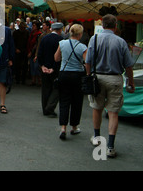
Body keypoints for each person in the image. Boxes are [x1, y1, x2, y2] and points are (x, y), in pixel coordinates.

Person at [85, 14, 135, 158]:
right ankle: (111, 147)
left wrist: (89, 76)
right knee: (113, 112)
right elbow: (129, 65)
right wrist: (131, 81)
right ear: (115, 26)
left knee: (97, 108)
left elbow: (88, 61)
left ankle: (96, 137)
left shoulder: (94, 40)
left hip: (98, 77)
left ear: (102, 25)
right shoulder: (121, 42)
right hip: (115, 79)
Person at [54, 24, 87, 140]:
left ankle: (63, 127)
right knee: (76, 102)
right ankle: (74, 126)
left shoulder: (62, 43)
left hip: (64, 73)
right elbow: (86, 62)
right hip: (77, 75)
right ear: (80, 34)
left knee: (64, 101)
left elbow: (56, 58)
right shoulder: (82, 47)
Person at [37, 22, 63, 117]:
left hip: (44, 67)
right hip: (55, 68)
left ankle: (45, 108)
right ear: (60, 30)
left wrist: (42, 66)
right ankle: (50, 107)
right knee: (56, 88)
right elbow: (60, 56)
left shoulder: (44, 38)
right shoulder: (60, 40)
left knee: (45, 88)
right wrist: (54, 67)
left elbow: (40, 54)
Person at [27, 21, 42, 86]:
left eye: (34, 26)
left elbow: (36, 44)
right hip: (30, 52)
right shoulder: (31, 34)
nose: (33, 27)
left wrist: (31, 52)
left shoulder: (39, 34)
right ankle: (33, 80)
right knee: (32, 66)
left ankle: (39, 80)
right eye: (32, 25)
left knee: (36, 66)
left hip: (36, 53)